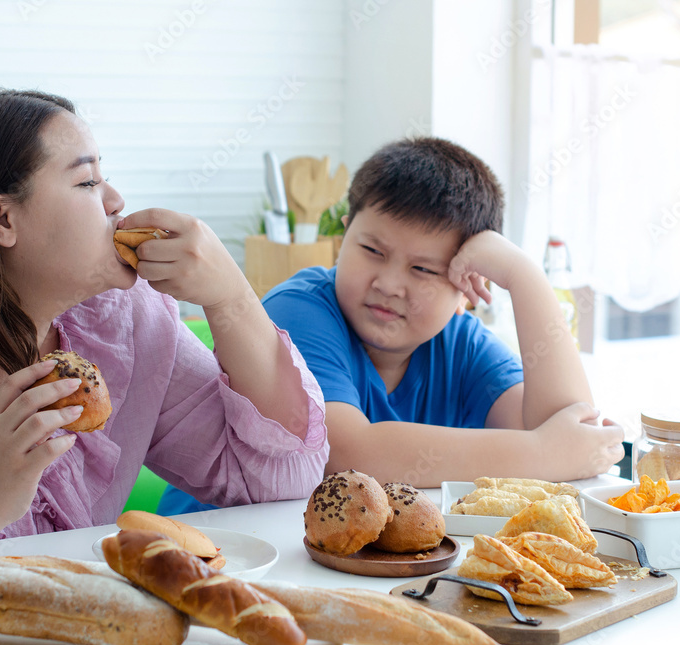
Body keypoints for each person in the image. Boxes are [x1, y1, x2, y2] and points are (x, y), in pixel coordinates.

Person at [0, 87, 328, 571]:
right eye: (87, 181)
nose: (116, 201)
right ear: (1, 219)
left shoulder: (127, 323)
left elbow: (279, 481)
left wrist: (232, 300)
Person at [260, 137, 624, 486]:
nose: (388, 284)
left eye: (424, 270)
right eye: (372, 250)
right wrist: (543, 453)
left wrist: (525, 277)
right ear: (344, 237)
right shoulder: (297, 311)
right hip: (231, 546)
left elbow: (575, 433)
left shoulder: (462, 345)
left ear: (466, 286)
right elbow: (343, 454)